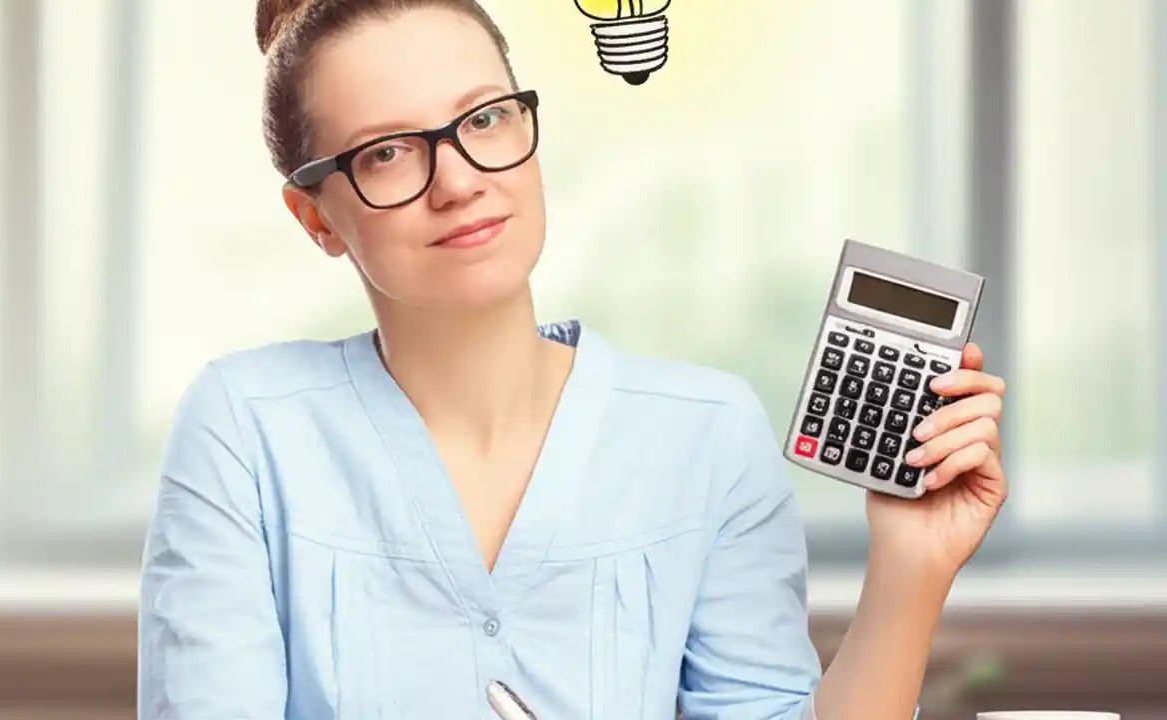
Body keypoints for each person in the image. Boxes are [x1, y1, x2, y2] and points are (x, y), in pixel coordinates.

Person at [136, 1, 1010, 718]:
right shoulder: (245, 428)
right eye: (388, 152)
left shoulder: (705, 433)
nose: (460, 180)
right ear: (316, 217)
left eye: (484, 118)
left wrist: (911, 567)